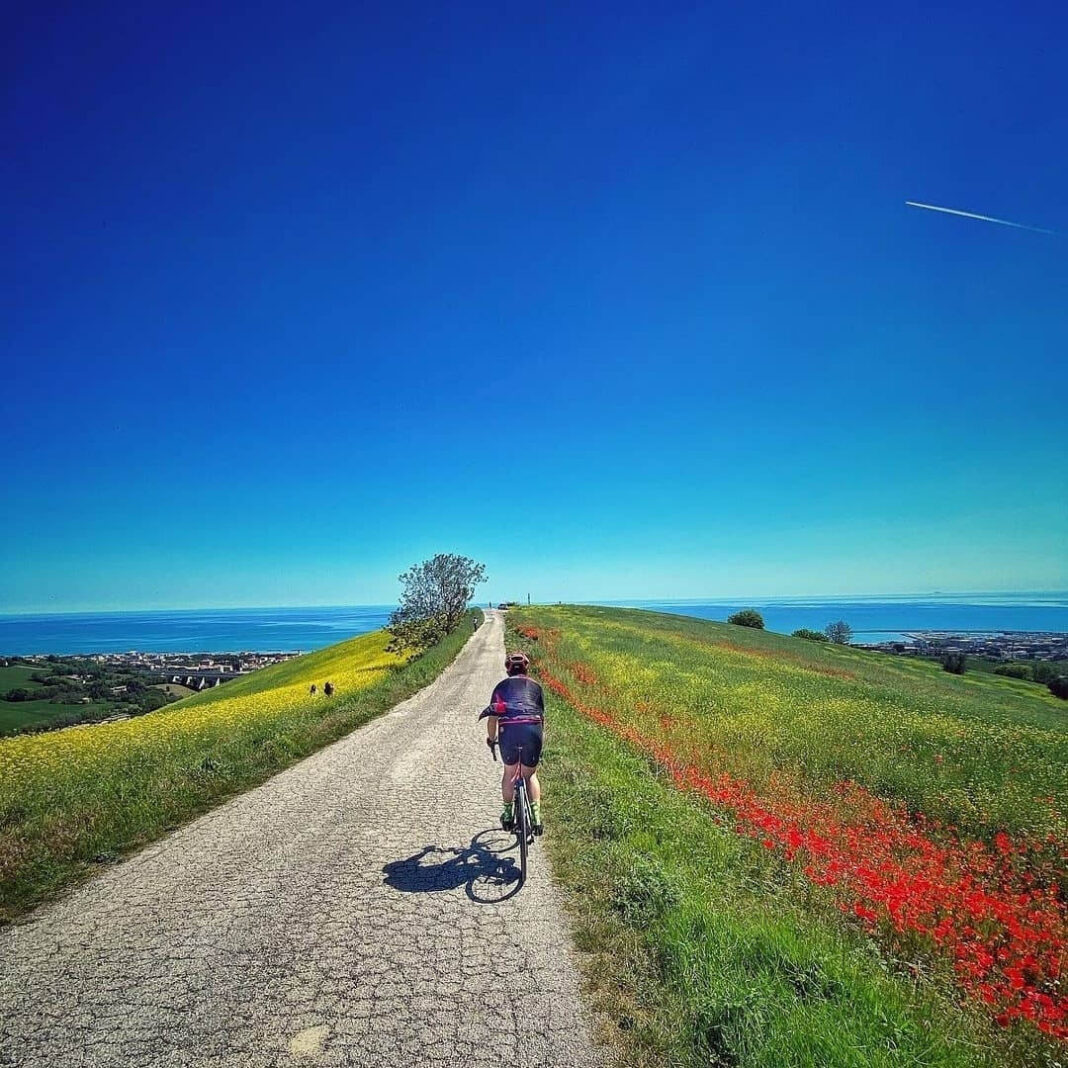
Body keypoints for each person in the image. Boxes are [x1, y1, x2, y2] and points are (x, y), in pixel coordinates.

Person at [480, 651, 544, 834]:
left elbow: (492, 719)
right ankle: (537, 819)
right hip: (533, 730)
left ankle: (508, 816)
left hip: (508, 731)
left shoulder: (500, 687)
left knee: (509, 773)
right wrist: (541, 743)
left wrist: (491, 740)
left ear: (508, 669)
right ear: (526, 668)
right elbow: (541, 718)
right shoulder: (536, 687)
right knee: (530, 775)